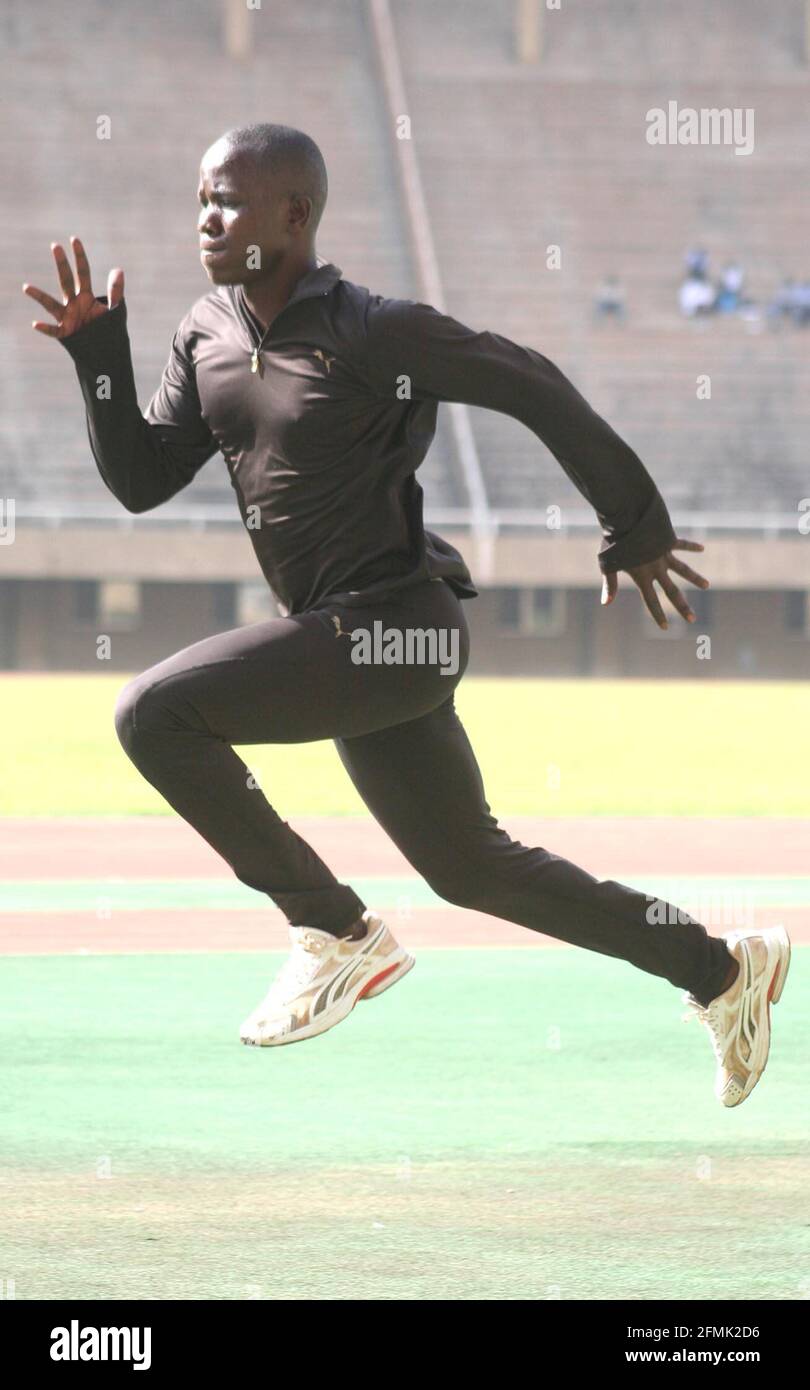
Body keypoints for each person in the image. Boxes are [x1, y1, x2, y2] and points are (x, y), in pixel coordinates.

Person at [23, 123, 790, 1105]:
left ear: (294, 215)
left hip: (400, 629)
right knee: (474, 869)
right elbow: (139, 479)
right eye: (200, 200)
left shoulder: (370, 330)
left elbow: (529, 381)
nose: (206, 220)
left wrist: (634, 523)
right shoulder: (207, 334)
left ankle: (332, 927)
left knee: (153, 713)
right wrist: (98, 356)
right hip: (343, 647)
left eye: (229, 200)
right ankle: (724, 973)